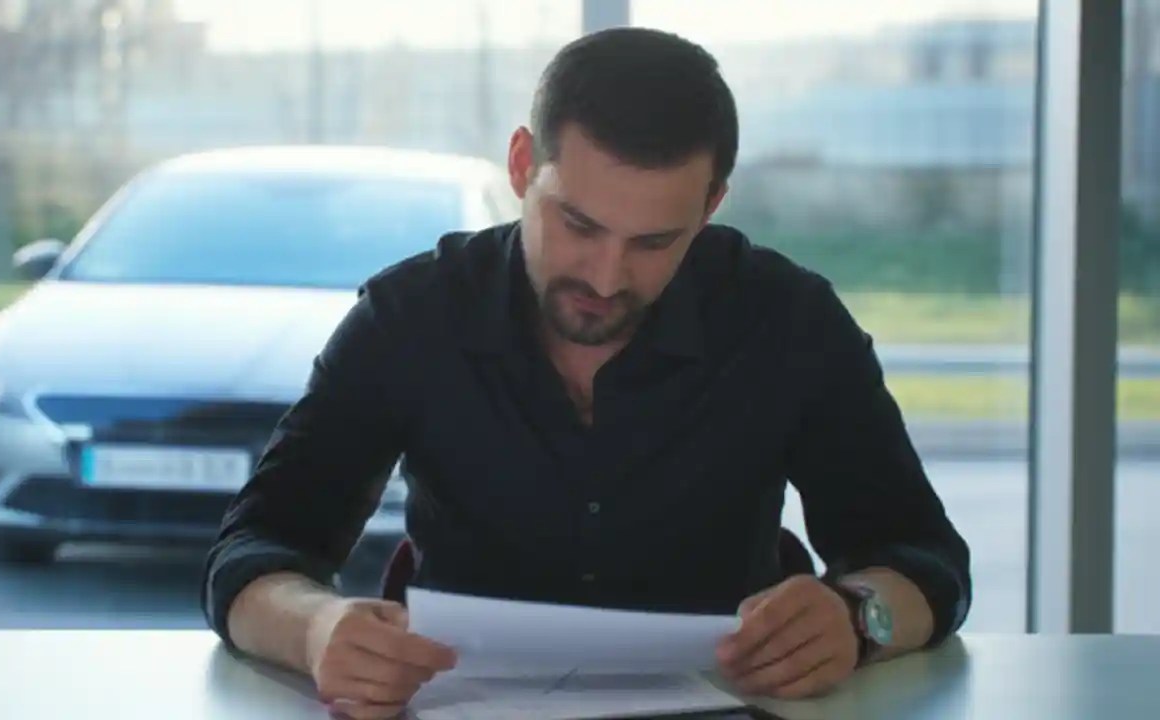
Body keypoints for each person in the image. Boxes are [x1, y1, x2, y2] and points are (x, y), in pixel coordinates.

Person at [202, 27, 971, 719]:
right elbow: (256, 549)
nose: (606, 278)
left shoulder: (788, 320)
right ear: (519, 166)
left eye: (654, 242)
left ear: (711, 206)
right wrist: (316, 628)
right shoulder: (413, 314)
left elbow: (924, 558)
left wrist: (856, 618)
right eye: (578, 224)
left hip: (735, 708)